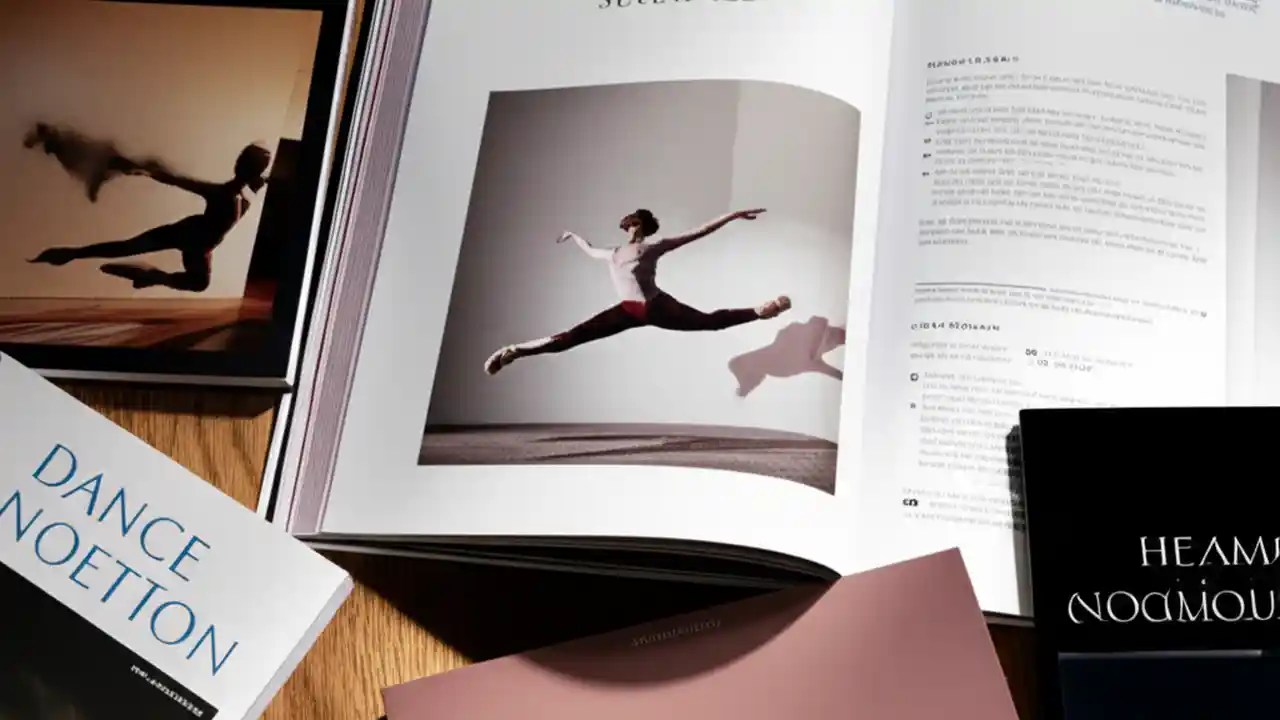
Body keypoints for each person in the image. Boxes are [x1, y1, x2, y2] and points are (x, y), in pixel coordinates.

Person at [484, 207, 791, 375]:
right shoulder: (613, 252)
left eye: (635, 223)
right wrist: (573, 235)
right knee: (569, 338)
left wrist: (733, 215)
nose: (632, 227)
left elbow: (698, 232)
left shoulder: (654, 246)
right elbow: (590, 250)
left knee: (710, 322)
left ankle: (761, 311)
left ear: (642, 226)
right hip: (627, 311)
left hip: (657, 306)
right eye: (629, 223)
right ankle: (514, 352)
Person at [28, 143, 272, 292]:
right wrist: (147, 171)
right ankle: (72, 253)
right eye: (243, 161)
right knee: (128, 248)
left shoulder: (242, 195)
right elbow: (179, 181)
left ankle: (151, 276)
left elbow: (181, 181)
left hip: (201, 247)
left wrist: (257, 181)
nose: (240, 165)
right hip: (189, 234)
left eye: (245, 163)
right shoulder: (225, 193)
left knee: (198, 284)